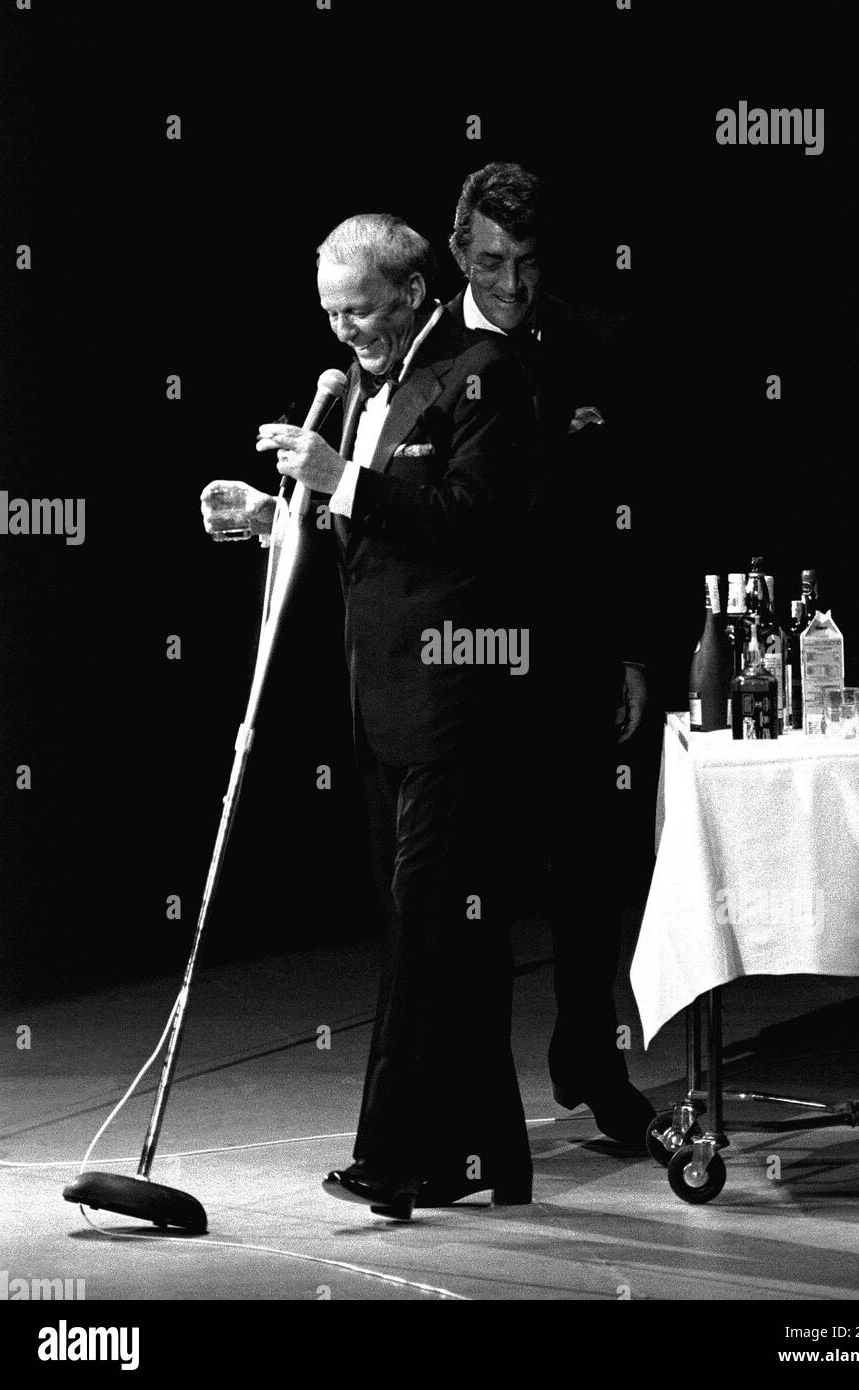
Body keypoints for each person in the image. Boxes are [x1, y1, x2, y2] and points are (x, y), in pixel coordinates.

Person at [202, 213, 538, 1220]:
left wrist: (335, 478)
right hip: (382, 701)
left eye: (362, 308)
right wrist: (275, 519)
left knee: (426, 928)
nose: (346, 329)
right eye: (331, 313)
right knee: (446, 930)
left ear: (414, 289)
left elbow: (470, 525)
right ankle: (485, 1154)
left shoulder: (486, 372)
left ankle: (395, 1156)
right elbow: (370, 535)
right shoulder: (360, 393)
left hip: (457, 695)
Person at [445, 162, 658, 1148]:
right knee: (472, 892)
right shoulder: (426, 356)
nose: (512, 284)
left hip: (571, 652)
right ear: (458, 252)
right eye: (492, 261)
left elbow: (629, 517)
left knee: (587, 879)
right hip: (464, 661)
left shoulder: (596, 342)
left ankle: (592, 1061)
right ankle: (477, 1101)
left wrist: (628, 649)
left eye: (528, 263)